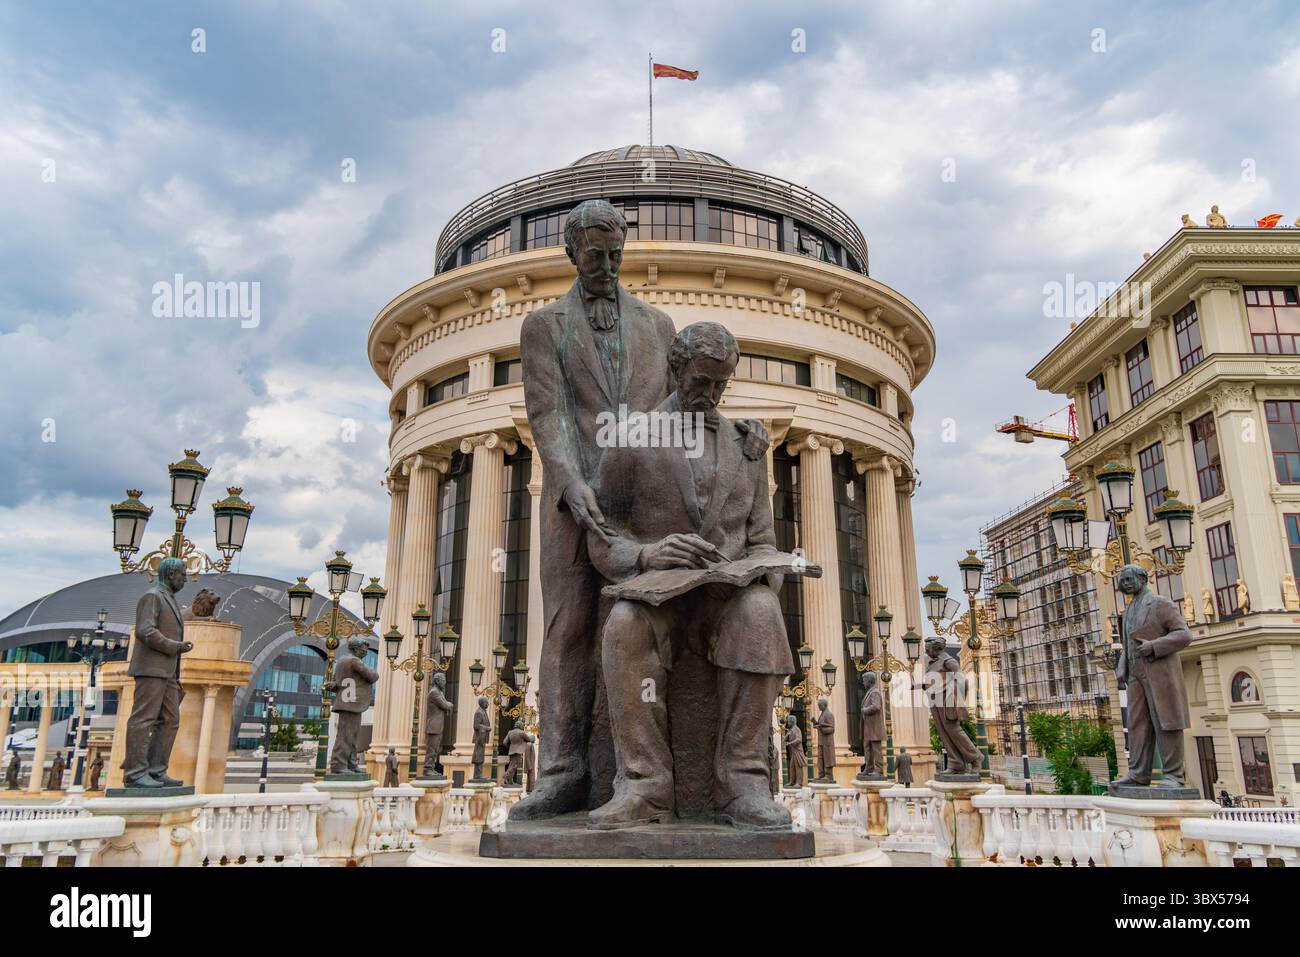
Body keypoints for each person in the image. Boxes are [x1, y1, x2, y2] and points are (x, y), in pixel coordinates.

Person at [512, 202, 768, 822]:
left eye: (615, 253)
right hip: (579, 504)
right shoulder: (545, 325)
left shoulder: (657, 324)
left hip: (646, 495)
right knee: (568, 627)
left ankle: (692, 780)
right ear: (572, 254)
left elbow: (683, 405)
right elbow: (548, 414)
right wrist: (572, 485)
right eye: (594, 255)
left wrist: (737, 434)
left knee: (667, 609)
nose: (606, 265)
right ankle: (564, 773)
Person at [581, 322, 796, 830]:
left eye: (722, 383)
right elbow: (600, 534)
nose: (712, 394)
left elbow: (762, 539)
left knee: (763, 612)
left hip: (725, 599)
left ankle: (743, 782)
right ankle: (643, 785)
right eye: (702, 381)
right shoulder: (631, 437)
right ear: (675, 369)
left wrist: (759, 575)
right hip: (658, 598)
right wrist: (646, 554)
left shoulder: (746, 446)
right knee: (625, 624)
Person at [1110, 564, 1193, 788]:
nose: (1125, 584)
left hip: (1159, 672)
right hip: (1136, 673)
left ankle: (1174, 775)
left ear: (1143, 578)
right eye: (1122, 580)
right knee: (1137, 723)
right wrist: (1122, 666)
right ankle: (1138, 773)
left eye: (1129, 579)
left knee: (1165, 720)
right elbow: (1127, 643)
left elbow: (1184, 635)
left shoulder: (1160, 603)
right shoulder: (1128, 611)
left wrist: (1155, 645)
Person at [121, 556, 194, 788]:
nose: (185, 579)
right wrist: (174, 647)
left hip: (169, 672)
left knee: (171, 720)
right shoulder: (152, 596)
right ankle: (135, 773)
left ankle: (156, 769)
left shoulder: (169, 600)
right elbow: (145, 631)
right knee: (143, 719)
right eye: (183, 574)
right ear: (171, 574)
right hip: (151, 669)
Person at [923, 637, 982, 775]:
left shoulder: (948, 661)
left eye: (928, 648)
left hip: (946, 700)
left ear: (937, 648)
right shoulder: (932, 662)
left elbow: (961, 678)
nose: (926, 651)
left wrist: (957, 701)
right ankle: (956, 763)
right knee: (943, 733)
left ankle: (976, 757)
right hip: (934, 700)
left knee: (954, 730)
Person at [326, 636, 379, 774]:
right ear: (355, 649)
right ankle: (339, 765)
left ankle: (351, 764)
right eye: (363, 650)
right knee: (346, 735)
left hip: (348, 703)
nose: (365, 653)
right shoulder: (355, 661)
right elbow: (373, 676)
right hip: (351, 702)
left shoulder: (341, 661)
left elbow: (335, 683)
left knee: (352, 735)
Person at [423, 671, 453, 778]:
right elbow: (445, 705)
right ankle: (427, 769)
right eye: (443, 680)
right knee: (431, 750)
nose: (444, 683)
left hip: (438, 726)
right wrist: (449, 705)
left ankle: (431, 768)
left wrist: (448, 705)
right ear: (437, 681)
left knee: (435, 750)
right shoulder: (434, 692)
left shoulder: (439, 692)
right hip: (433, 727)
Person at [858, 671, 885, 777]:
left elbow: (876, 706)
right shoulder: (869, 692)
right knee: (867, 748)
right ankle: (869, 768)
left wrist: (865, 710)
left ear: (869, 681)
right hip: (868, 727)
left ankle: (878, 770)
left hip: (874, 727)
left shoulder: (874, 692)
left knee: (876, 749)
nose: (863, 683)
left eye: (864, 681)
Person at [814, 698, 836, 782]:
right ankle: (821, 774)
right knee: (820, 758)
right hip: (821, 741)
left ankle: (828, 775)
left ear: (824, 705)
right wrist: (816, 724)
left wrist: (821, 728)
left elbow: (831, 729)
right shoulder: (822, 714)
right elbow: (822, 725)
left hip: (827, 741)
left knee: (827, 758)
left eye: (820, 706)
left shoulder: (829, 714)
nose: (819, 707)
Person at [471, 697, 490, 781]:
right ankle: (477, 775)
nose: (488, 704)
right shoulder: (479, 712)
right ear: (482, 703)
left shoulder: (483, 712)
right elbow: (476, 725)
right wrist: (487, 728)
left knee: (480, 755)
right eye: (486, 702)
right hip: (479, 738)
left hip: (483, 737)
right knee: (478, 756)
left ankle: (479, 774)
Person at [785, 715, 806, 788]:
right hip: (793, 752)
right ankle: (792, 781)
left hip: (797, 751)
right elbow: (784, 740)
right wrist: (787, 734)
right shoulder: (790, 730)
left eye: (788, 721)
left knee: (798, 767)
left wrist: (790, 743)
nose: (787, 723)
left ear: (792, 721)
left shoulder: (797, 729)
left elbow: (799, 739)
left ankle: (799, 782)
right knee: (792, 767)